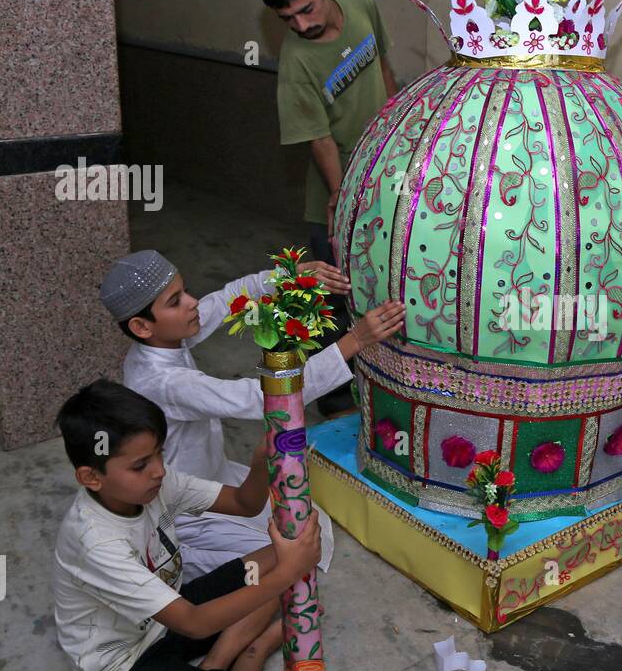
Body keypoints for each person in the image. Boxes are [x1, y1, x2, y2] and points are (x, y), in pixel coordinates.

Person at [100, 248, 405, 578]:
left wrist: (286, 278)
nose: (191, 303)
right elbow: (259, 398)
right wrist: (354, 341)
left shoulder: (164, 342)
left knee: (302, 530)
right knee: (286, 559)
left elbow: (230, 295)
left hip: (212, 476)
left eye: (186, 291)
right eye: (175, 302)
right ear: (142, 326)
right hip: (187, 509)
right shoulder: (162, 380)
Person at [52, 380, 321, 671]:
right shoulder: (95, 541)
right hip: (126, 661)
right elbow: (195, 623)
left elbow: (244, 504)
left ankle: (218, 660)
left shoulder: (157, 483)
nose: (159, 470)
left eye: (159, 454)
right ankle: (251, 654)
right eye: (140, 465)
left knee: (279, 552)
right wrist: (289, 573)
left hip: (172, 612)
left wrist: (262, 463)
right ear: (91, 477)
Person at [251, 0, 397, 268]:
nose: (302, 26)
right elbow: (320, 138)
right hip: (338, 190)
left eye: (307, 10)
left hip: (385, 170)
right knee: (342, 297)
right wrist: (341, 198)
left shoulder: (362, 5)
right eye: (287, 19)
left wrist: (399, 132)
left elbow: (384, 68)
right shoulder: (296, 62)